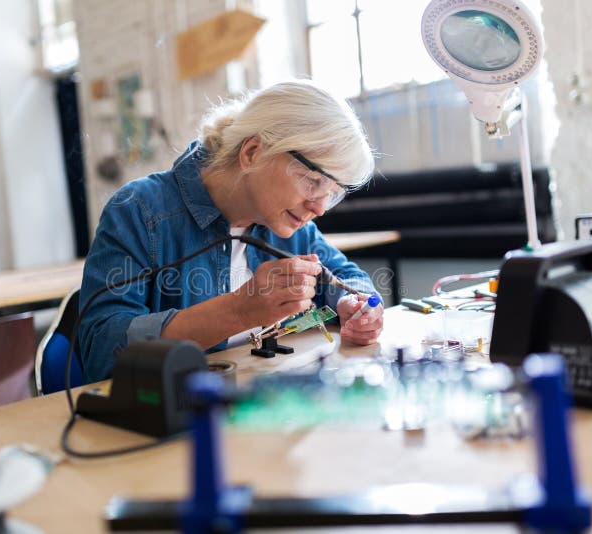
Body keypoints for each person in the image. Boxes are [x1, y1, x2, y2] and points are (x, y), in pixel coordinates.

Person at [79, 80, 384, 382]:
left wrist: (354, 305)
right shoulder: (139, 211)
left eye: (332, 192)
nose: (318, 208)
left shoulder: (288, 223)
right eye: (312, 181)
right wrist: (238, 311)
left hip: (263, 403)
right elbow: (101, 351)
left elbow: (347, 277)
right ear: (252, 153)